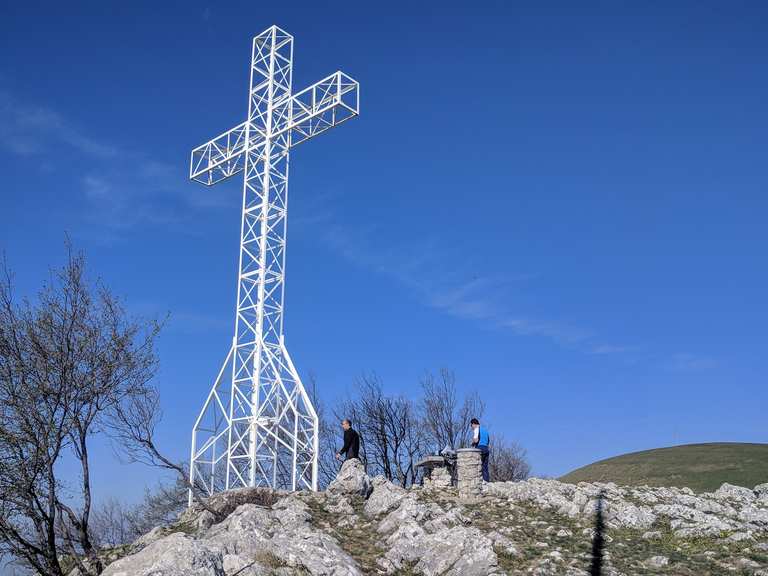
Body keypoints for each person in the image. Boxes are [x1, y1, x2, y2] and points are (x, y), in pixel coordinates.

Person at [470, 417, 490, 482]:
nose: (472, 428)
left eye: (471, 426)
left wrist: (472, 443)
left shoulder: (476, 429)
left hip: (480, 448)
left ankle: (478, 481)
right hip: (486, 449)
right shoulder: (485, 430)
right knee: (485, 466)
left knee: (478, 465)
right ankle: (486, 481)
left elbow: (476, 440)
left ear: (473, 424)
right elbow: (488, 441)